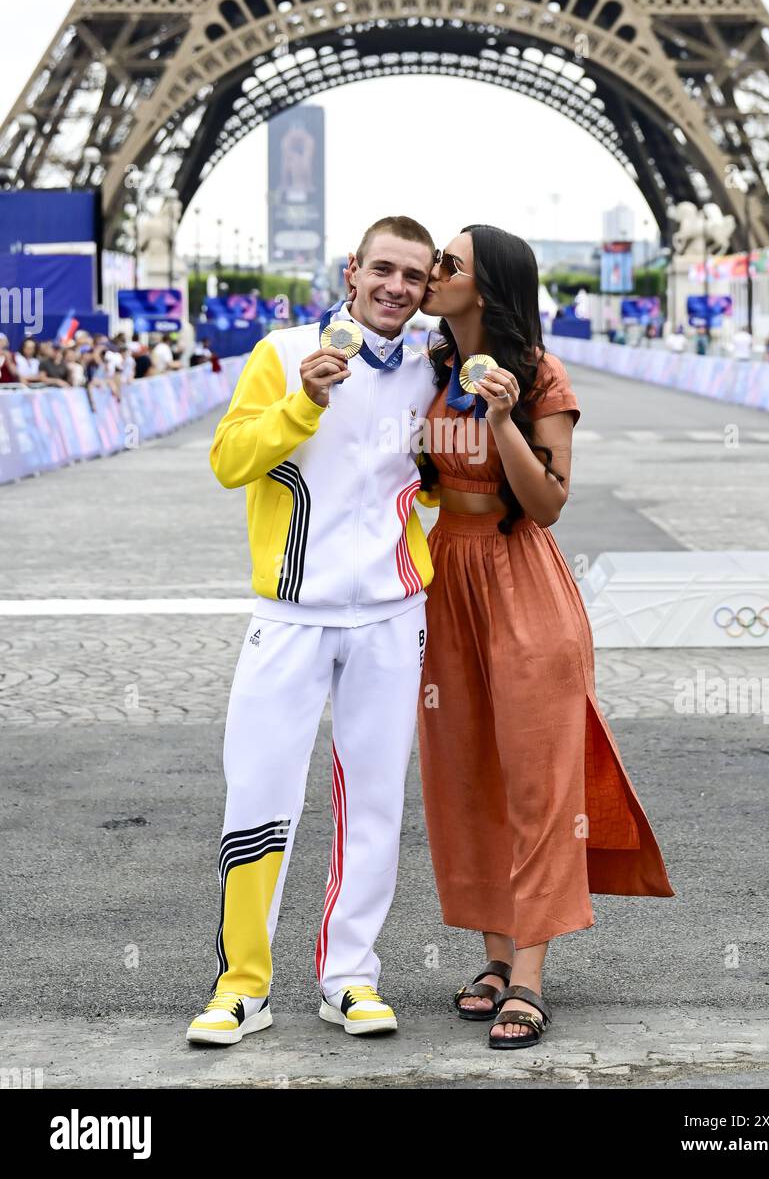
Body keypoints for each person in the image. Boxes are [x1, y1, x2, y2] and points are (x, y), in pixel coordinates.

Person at [416, 225, 675, 1050]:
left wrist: (501, 420)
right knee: (464, 776)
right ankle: (492, 955)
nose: (432, 273)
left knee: (535, 780)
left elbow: (552, 500)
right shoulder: (422, 370)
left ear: (486, 288)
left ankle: (528, 974)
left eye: (447, 264)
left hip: (521, 574)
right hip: (441, 582)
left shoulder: (539, 377)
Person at [186, 215, 440, 1047]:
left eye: (413, 275)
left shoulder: (435, 366)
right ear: (351, 270)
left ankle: (350, 977)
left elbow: (431, 485)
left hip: (391, 616)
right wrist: (304, 401)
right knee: (258, 794)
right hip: (290, 615)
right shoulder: (282, 350)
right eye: (383, 270)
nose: (396, 287)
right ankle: (241, 986)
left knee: (372, 802)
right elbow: (229, 462)